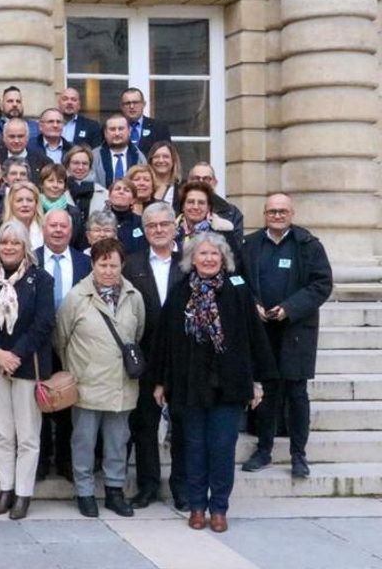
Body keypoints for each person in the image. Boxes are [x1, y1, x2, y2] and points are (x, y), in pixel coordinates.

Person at [150, 232, 277, 533]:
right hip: (189, 386)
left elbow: (254, 339)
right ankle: (197, 506)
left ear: (224, 258)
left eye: (214, 254)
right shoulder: (180, 293)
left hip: (229, 386)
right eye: (203, 253)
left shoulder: (238, 291)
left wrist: (257, 382)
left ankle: (219, 508)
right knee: (193, 448)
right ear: (192, 259)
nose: (208, 258)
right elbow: (164, 341)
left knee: (222, 448)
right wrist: (160, 382)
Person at [240, 193, 333, 480]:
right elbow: (236, 278)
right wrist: (251, 303)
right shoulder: (249, 244)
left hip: (296, 330)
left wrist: (289, 309)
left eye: (282, 211)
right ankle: (263, 450)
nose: (277, 215)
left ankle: (298, 455)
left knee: (296, 393)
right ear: (264, 214)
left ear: (292, 213)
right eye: (272, 211)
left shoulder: (309, 245)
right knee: (266, 392)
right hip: (262, 330)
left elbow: (322, 284)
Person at [55, 238, 144, 518]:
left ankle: (115, 490)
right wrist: (77, 369)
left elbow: (137, 333)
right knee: (83, 441)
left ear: (122, 265)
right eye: (102, 265)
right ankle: (84, 491)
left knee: (118, 441)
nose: (108, 271)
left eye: (113, 265)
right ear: (93, 265)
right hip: (86, 385)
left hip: (121, 384)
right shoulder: (76, 297)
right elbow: (61, 338)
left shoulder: (133, 296)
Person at [0, 220, 55, 520]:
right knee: (2, 432)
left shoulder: (41, 279)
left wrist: (15, 355)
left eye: (15, 242)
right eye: (4, 242)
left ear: (25, 247)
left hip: (27, 364)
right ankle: (5, 489)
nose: (9, 247)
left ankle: (23, 493)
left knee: (28, 434)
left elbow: (44, 323)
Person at [123, 201, 185, 509]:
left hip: (184, 358)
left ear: (175, 227)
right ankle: (148, 485)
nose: (158, 230)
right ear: (144, 230)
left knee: (183, 426)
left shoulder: (191, 261)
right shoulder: (131, 264)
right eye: (151, 225)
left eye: (164, 224)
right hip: (146, 357)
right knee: (144, 425)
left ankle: (181, 487)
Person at [35, 207, 91, 482]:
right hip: (39, 343)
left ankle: (66, 461)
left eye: (63, 226)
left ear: (71, 231)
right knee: (39, 401)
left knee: (71, 403)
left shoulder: (85, 263)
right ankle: (41, 460)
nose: (58, 230)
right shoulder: (30, 258)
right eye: (53, 225)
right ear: (44, 229)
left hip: (74, 344)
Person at [175, 181, 238, 254]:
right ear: (182, 206)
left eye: (201, 203)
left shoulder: (224, 231)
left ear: (208, 207)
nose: (195, 207)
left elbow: (235, 260)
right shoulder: (172, 232)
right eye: (191, 202)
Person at [93, 113, 145, 188]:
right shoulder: (94, 157)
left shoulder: (139, 157)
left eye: (121, 129)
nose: (117, 133)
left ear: (129, 131)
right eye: (112, 129)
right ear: (105, 133)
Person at [119, 87, 172, 153]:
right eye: (127, 103)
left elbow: (167, 153)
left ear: (144, 104)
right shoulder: (114, 129)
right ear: (121, 106)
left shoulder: (159, 128)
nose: (131, 106)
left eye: (135, 102)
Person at [65, 145, 108, 219]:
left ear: (90, 167)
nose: (80, 167)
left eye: (85, 163)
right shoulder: (59, 191)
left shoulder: (104, 193)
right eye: (76, 163)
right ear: (68, 165)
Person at [108, 178, 148, 254]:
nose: (121, 192)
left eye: (126, 190)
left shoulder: (141, 223)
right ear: (109, 196)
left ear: (133, 200)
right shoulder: (99, 221)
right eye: (117, 189)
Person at [2, 181, 44, 251]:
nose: (25, 204)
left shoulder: (45, 230)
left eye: (29, 200)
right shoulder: (0, 231)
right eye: (19, 200)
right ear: (11, 204)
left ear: (36, 204)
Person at [146, 140, 182, 207]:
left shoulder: (181, 189)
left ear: (173, 160)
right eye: (156, 157)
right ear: (151, 161)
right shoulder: (144, 186)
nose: (161, 160)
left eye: (166, 156)